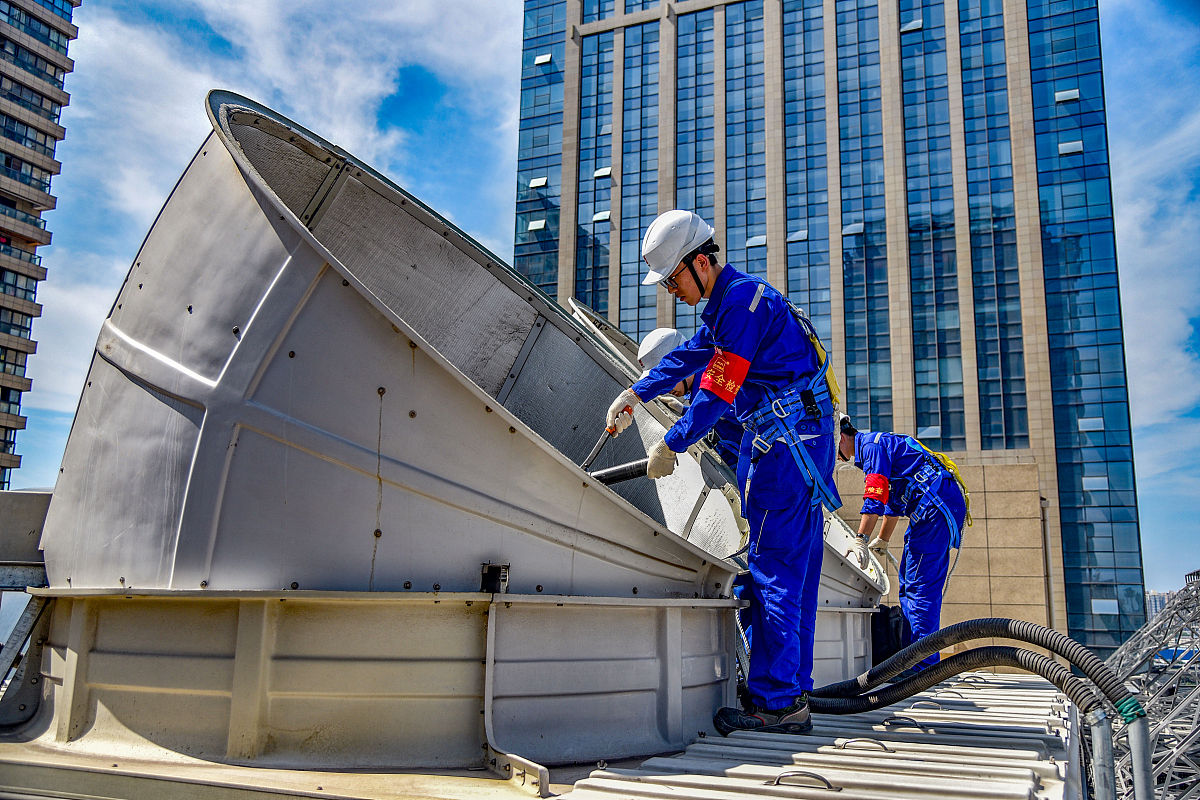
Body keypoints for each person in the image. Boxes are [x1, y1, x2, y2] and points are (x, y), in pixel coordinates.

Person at [605, 209, 840, 735]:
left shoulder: (739, 305)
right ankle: (791, 692)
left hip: (787, 446)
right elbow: (691, 355)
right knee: (792, 571)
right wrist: (634, 392)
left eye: (672, 279)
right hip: (799, 440)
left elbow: (714, 388)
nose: (671, 291)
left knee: (773, 569)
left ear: (701, 263)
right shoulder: (735, 304)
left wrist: (672, 442)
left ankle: (775, 704)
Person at [837, 415, 967, 669]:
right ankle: (915, 660)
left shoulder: (871, 446)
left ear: (841, 438)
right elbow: (893, 505)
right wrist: (882, 540)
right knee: (911, 584)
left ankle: (921, 667)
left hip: (934, 507)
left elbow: (874, 496)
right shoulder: (879, 445)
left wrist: (860, 539)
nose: (838, 459)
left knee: (918, 588)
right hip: (937, 506)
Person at [637, 327, 742, 469]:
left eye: (665, 378)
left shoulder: (713, 380)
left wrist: (668, 445)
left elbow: (706, 413)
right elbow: (719, 417)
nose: (664, 390)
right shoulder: (702, 387)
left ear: (680, 366)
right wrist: (685, 411)